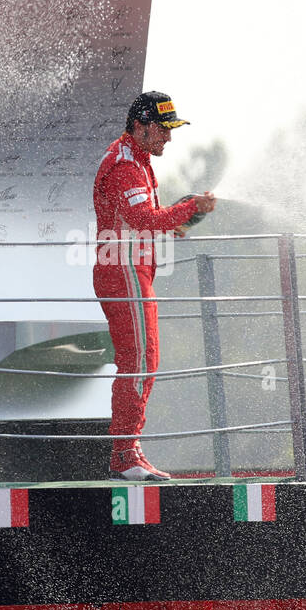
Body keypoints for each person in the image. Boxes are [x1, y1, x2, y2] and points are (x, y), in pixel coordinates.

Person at [93, 91, 215, 480]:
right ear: (142, 126)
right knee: (140, 361)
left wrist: (176, 220)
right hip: (123, 269)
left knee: (144, 361)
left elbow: (141, 219)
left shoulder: (136, 158)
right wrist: (190, 208)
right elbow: (143, 218)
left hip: (131, 268)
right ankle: (125, 456)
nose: (169, 138)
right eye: (163, 129)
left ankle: (126, 453)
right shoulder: (126, 164)